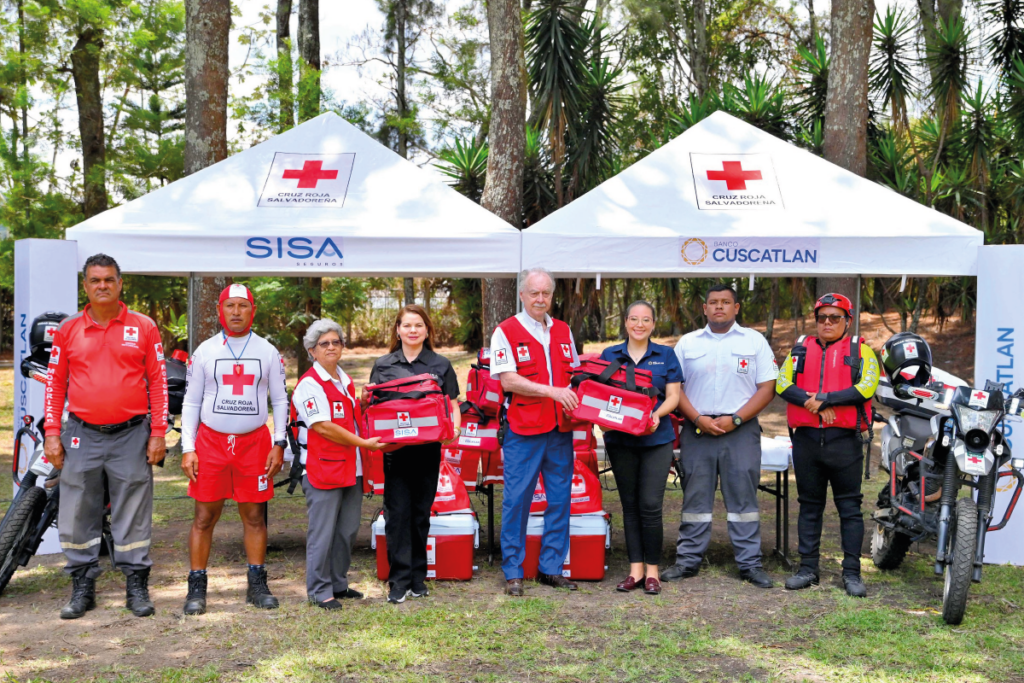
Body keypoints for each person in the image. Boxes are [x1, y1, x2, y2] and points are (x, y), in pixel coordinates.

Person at [44, 253, 168, 620]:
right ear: (85, 285)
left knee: (133, 508)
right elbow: (55, 385)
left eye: (109, 280)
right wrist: (53, 433)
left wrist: (158, 433)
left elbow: (158, 383)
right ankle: (83, 585)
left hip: (132, 434)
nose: (102, 286)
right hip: (82, 433)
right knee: (78, 507)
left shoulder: (143, 327)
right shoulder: (68, 330)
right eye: (95, 280)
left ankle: (136, 584)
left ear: (119, 284)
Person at [179, 284, 288, 615]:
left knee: (254, 515)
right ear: (219, 310)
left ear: (252, 310)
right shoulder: (205, 351)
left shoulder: (267, 351)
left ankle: (256, 585)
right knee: (204, 516)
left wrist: (279, 442)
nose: (236, 311)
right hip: (210, 443)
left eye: (243, 305)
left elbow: (280, 399)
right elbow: (192, 401)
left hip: (254, 443)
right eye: (230, 306)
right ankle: (197, 587)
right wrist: (188, 447)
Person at [667, 283, 778, 588]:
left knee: (743, 499)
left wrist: (737, 418)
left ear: (736, 308)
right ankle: (688, 561)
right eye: (713, 302)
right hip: (697, 430)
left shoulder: (755, 341)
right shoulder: (687, 344)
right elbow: (675, 390)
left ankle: (749, 565)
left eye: (725, 302)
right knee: (695, 498)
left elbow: (767, 387)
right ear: (704, 308)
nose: (719, 307)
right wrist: (698, 418)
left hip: (740, 431)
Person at [776, 293, 879, 598]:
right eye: (823, 318)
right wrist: (817, 406)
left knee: (849, 508)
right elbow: (782, 384)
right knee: (809, 507)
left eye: (835, 318)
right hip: (806, 441)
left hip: (844, 442)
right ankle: (808, 569)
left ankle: (851, 573)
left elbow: (866, 388)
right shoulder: (799, 350)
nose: (828, 323)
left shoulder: (862, 351)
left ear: (847, 321)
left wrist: (827, 399)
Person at [490, 267, 580, 597]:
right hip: (524, 429)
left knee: (560, 499)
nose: (540, 299)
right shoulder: (506, 330)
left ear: (552, 296)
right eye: (534, 293)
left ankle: (551, 568)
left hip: (561, 428)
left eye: (546, 294)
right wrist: (552, 391)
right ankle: (513, 570)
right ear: (522, 295)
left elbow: (574, 374)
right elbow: (508, 380)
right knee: (517, 501)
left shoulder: (563, 330)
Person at [369, 304, 461, 604]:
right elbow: (374, 406)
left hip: (428, 452)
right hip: (395, 452)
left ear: (427, 330)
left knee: (421, 515)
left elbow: (452, 404)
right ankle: (398, 581)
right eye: (407, 325)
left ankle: (418, 579)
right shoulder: (383, 365)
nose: (412, 330)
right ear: (397, 329)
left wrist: (454, 430)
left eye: (418, 325)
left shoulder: (440, 364)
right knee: (396, 515)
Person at [292, 319, 383, 610]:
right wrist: (364, 444)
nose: (331, 347)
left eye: (336, 342)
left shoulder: (343, 378)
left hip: (351, 467)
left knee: (346, 530)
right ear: (312, 351)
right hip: (323, 468)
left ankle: (338, 583)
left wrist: (363, 404)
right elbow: (323, 427)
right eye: (324, 344)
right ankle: (319, 590)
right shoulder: (308, 384)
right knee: (323, 532)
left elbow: (347, 417)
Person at [600, 301, 682, 596]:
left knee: (650, 506)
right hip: (621, 441)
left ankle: (653, 572)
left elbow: (673, 396)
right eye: (634, 319)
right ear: (625, 322)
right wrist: (603, 421)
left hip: (656, 440)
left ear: (653, 324)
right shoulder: (611, 355)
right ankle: (635, 571)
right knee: (630, 506)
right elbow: (600, 393)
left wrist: (656, 416)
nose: (639, 324)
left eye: (645, 319)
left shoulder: (665, 355)